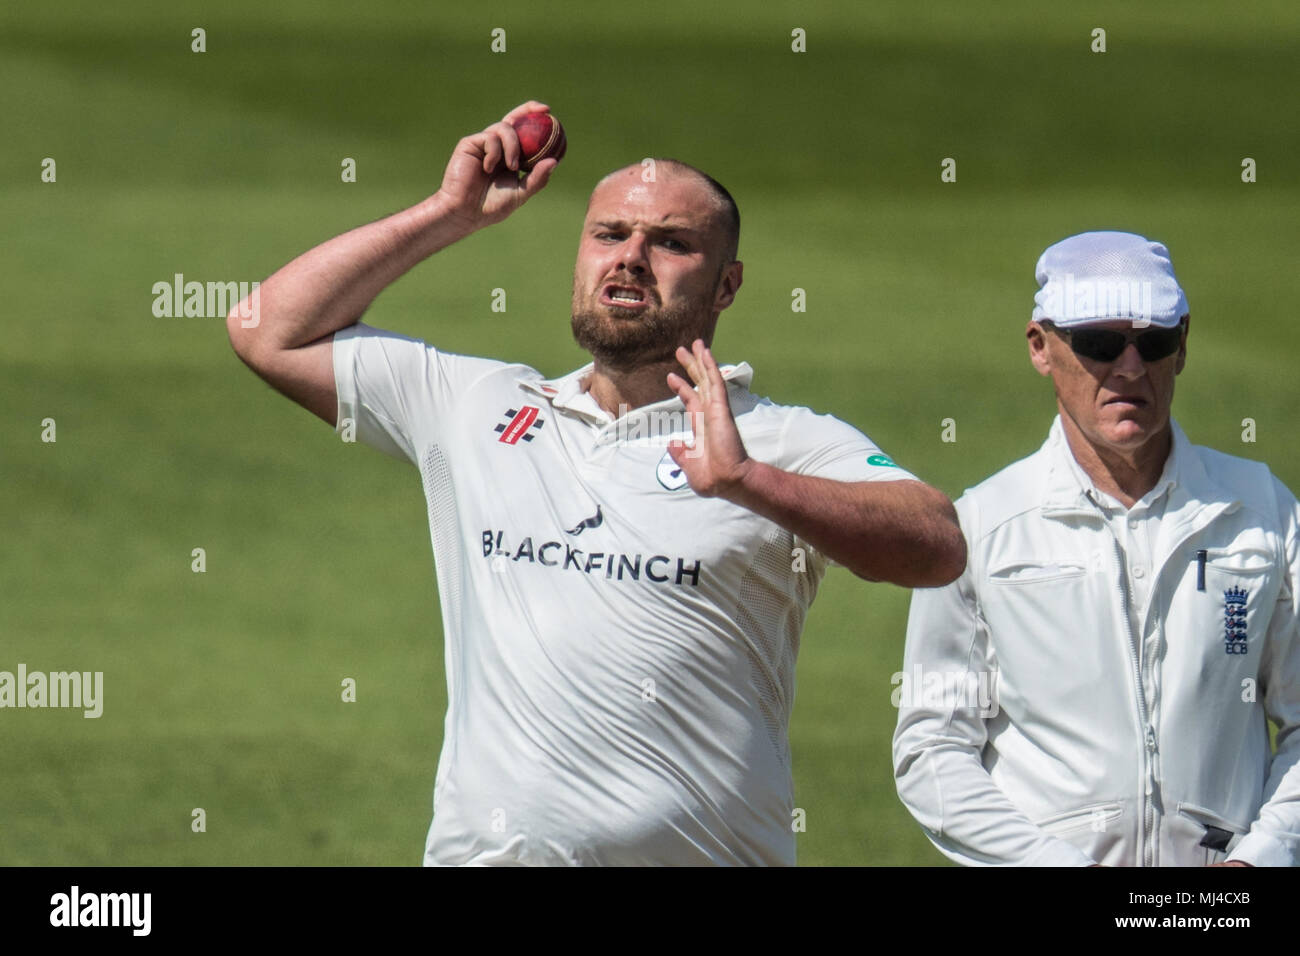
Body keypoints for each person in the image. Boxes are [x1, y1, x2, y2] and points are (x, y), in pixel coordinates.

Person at [226, 101, 966, 866]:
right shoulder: (477, 407)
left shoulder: (776, 439)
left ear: (726, 286)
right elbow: (264, 328)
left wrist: (750, 482)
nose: (631, 257)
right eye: (609, 234)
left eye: (671, 243)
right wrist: (449, 214)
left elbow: (936, 543)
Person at [893, 230, 1300, 866]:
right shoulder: (981, 527)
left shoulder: (1263, 511)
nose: (1130, 368)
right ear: (1040, 347)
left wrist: (1263, 860)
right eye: (1100, 343)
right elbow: (932, 750)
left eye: (1154, 341)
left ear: (1183, 344)